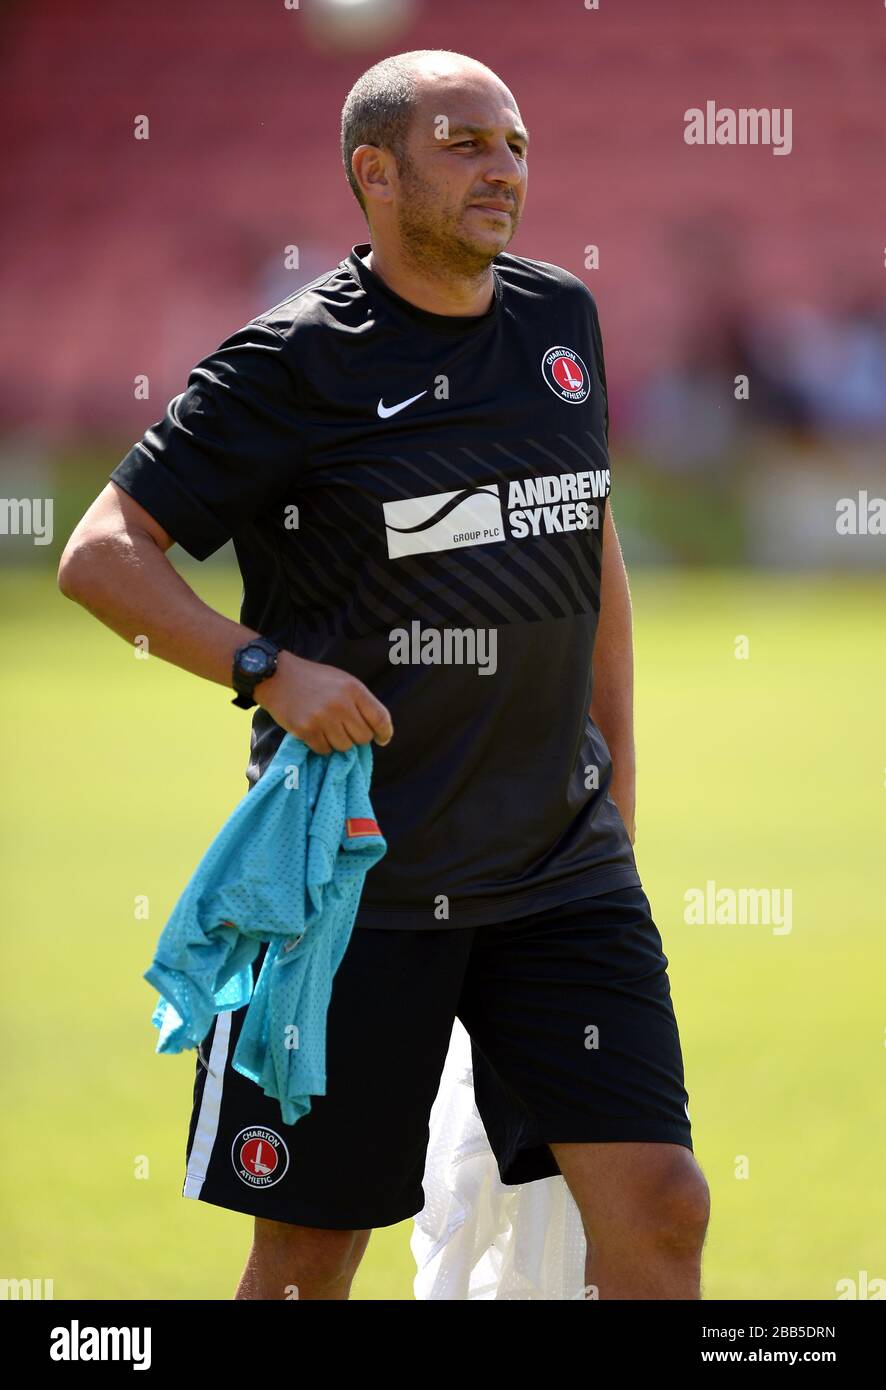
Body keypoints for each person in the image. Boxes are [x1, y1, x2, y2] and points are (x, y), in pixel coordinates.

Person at [58, 48, 710, 1300]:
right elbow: (99, 556)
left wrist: (616, 787)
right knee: (309, 1258)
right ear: (376, 172)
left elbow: (591, 548)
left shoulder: (561, 321)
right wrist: (262, 667)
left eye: (514, 143)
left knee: (660, 1203)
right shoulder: (289, 366)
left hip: (557, 875)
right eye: (464, 143)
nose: (502, 168)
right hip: (353, 888)